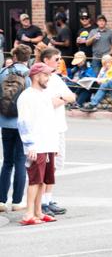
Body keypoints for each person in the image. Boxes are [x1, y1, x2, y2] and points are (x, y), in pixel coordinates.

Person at [16, 62, 62, 226]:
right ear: (36, 76)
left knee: (43, 180)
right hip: (36, 145)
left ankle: (38, 212)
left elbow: (50, 121)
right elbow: (23, 122)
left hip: (47, 144)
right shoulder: (26, 96)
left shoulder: (45, 94)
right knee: (35, 180)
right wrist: (30, 145)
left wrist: (54, 145)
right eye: (46, 75)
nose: (48, 78)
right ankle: (28, 214)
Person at [36, 48, 74, 217]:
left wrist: (62, 98)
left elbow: (72, 96)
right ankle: (42, 202)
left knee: (56, 166)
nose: (59, 61)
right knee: (47, 167)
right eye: (56, 59)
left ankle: (49, 199)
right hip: (48, 129)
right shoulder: (41, 79)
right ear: (46, 60)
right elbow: (47, 103)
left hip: (60, 127)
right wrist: (62, 98)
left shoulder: (57, 78)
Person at [0, 45, 30, 214]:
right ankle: (17, 201)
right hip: (22, 123)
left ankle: (1, 200)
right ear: (27, 57)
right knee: (20, 161)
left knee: (7, 161)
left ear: (14, 55)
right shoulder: (28, 74)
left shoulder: (3, 72)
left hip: (5, 121)